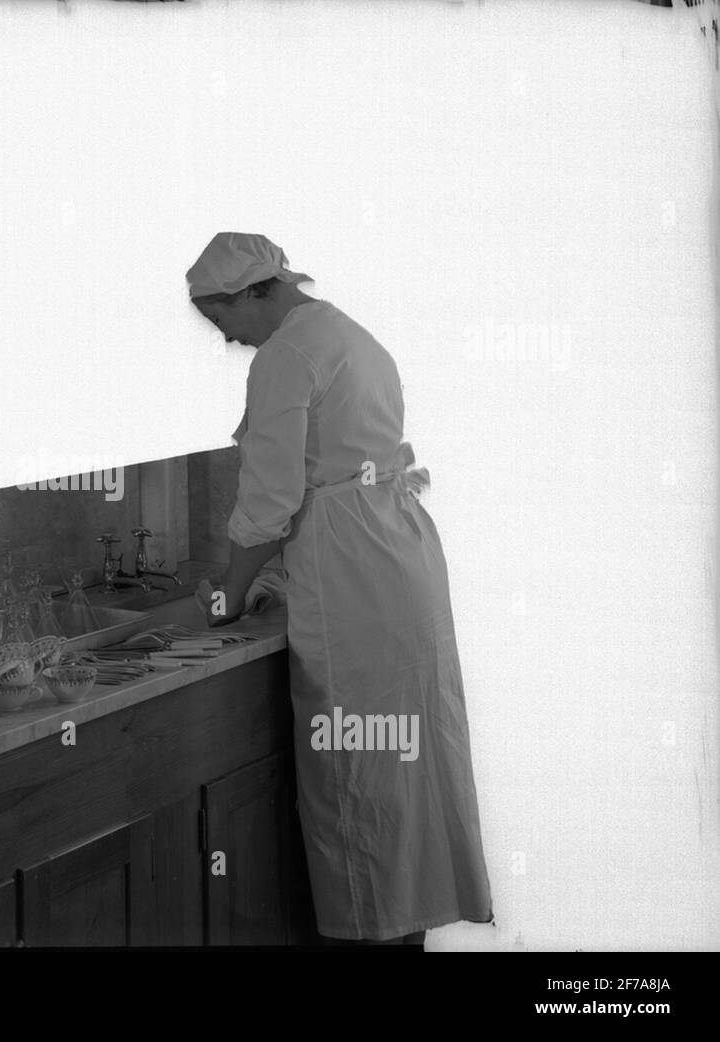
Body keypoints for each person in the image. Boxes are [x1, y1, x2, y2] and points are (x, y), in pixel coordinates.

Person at [187, 232, 493, 945]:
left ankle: (375, 930)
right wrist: (274, 576)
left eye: (220, 320)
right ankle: (403, 927)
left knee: (358, 768)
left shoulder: (285, 357)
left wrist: (227, 594)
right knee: (406, 761)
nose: (227, 339)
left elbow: (270, 500)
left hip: (355, 578)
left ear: (247, 295)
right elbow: (333, 472)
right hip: (396, 557)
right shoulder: (345, 333)